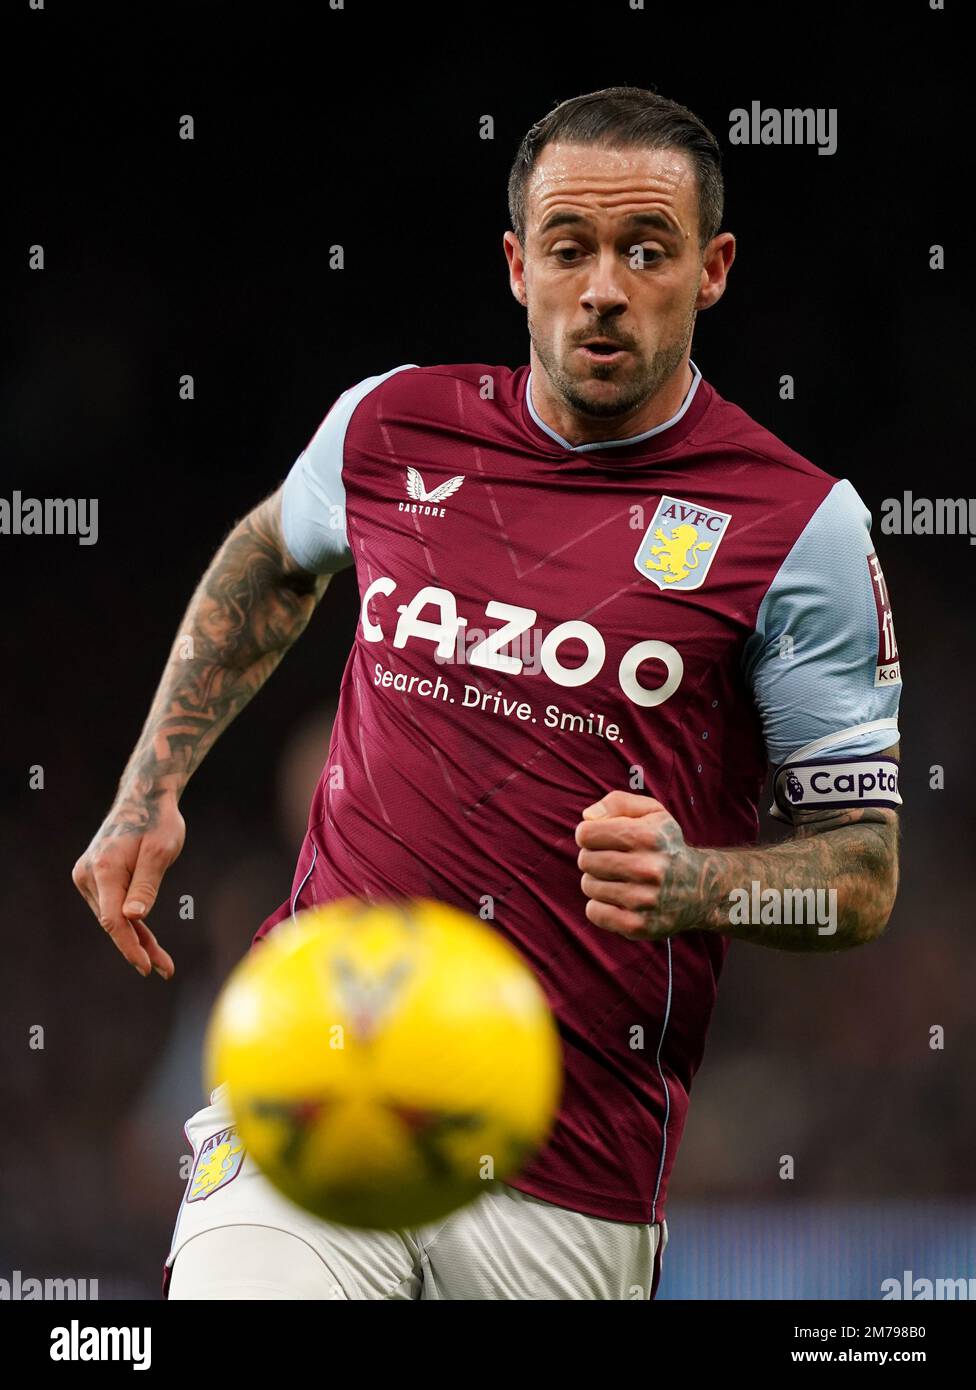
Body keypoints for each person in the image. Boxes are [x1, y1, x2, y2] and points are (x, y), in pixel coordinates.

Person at [71, 86, 902, 1300]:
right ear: (518, 265)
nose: (603, 285)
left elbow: (862, 878)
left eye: (645, 250)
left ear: (712, 269)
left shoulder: (797, 527)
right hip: (317, 1088)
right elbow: (270, 552)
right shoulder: (390, 428)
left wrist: (698, 882)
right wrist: (150, 785)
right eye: (569, 249)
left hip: (571, 1168)